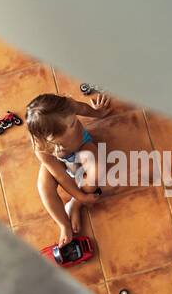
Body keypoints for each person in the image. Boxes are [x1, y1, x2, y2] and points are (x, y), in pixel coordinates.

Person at [25, 91, 114, 244]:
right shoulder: (41, 148)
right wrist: (81, 195)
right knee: (43, 187)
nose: (75, 123)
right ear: (51, 138)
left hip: (82, 145)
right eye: (72, 124)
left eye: (74, 121)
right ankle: (64, 224)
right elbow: (61, 176)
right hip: (56, 158)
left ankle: (74, 204)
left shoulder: (68, 106)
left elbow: (84, 110)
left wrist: (98, 113)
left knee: (98, 170)